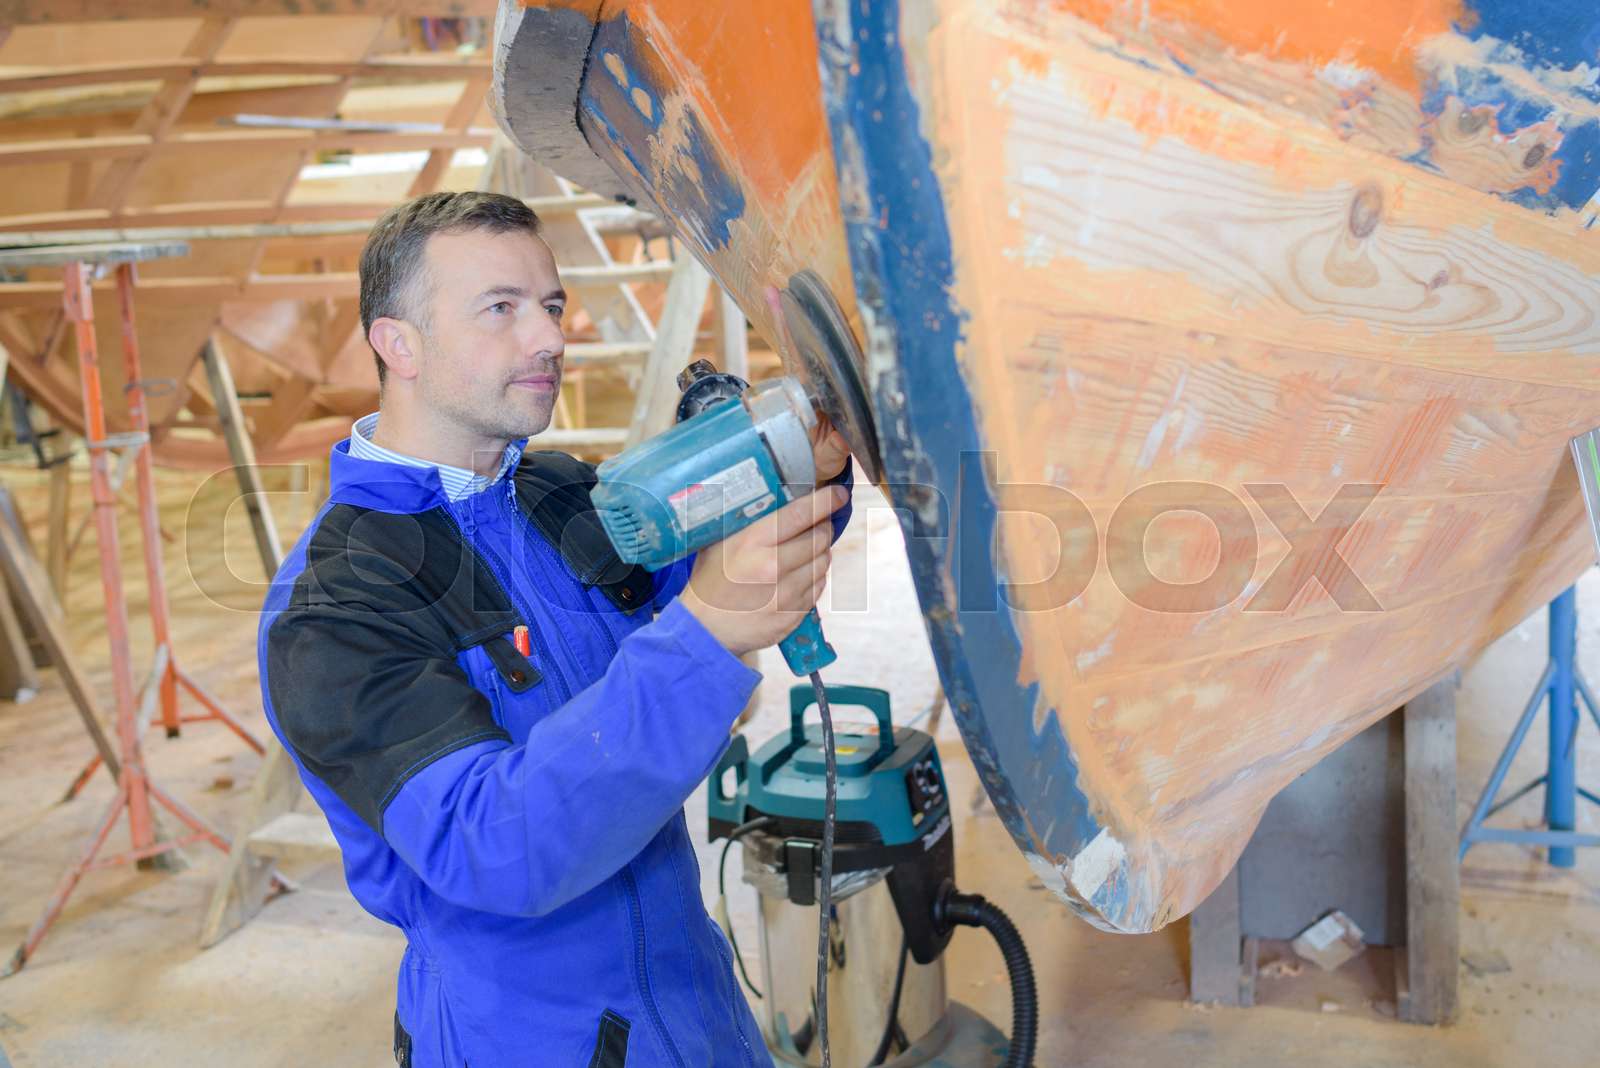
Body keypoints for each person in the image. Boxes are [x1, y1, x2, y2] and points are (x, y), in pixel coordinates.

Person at [257, 191, 852, 1067]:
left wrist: (803, 456)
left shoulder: (558, 493)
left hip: (697, 1010)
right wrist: (706, 631)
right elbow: (494, 847)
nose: (549, 337)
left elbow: (727, 552)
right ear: (398, 344)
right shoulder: (337, 604)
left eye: (551, 304)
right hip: (527, 1039)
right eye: (501, 309)